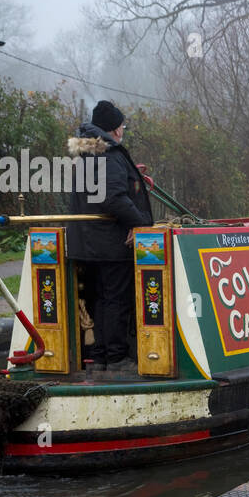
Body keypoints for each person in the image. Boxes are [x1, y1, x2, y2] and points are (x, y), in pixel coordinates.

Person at [66, 100, 153, 371]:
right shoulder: (110, 155)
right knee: (115, 299)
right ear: (115, 130)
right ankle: (116, 357)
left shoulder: (84, 153)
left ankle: (100, 356)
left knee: (98, 298)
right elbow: (113, 197)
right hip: (111, 243)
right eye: (122, 126)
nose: (123, 131)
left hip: (87, 242)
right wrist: (141, 225)